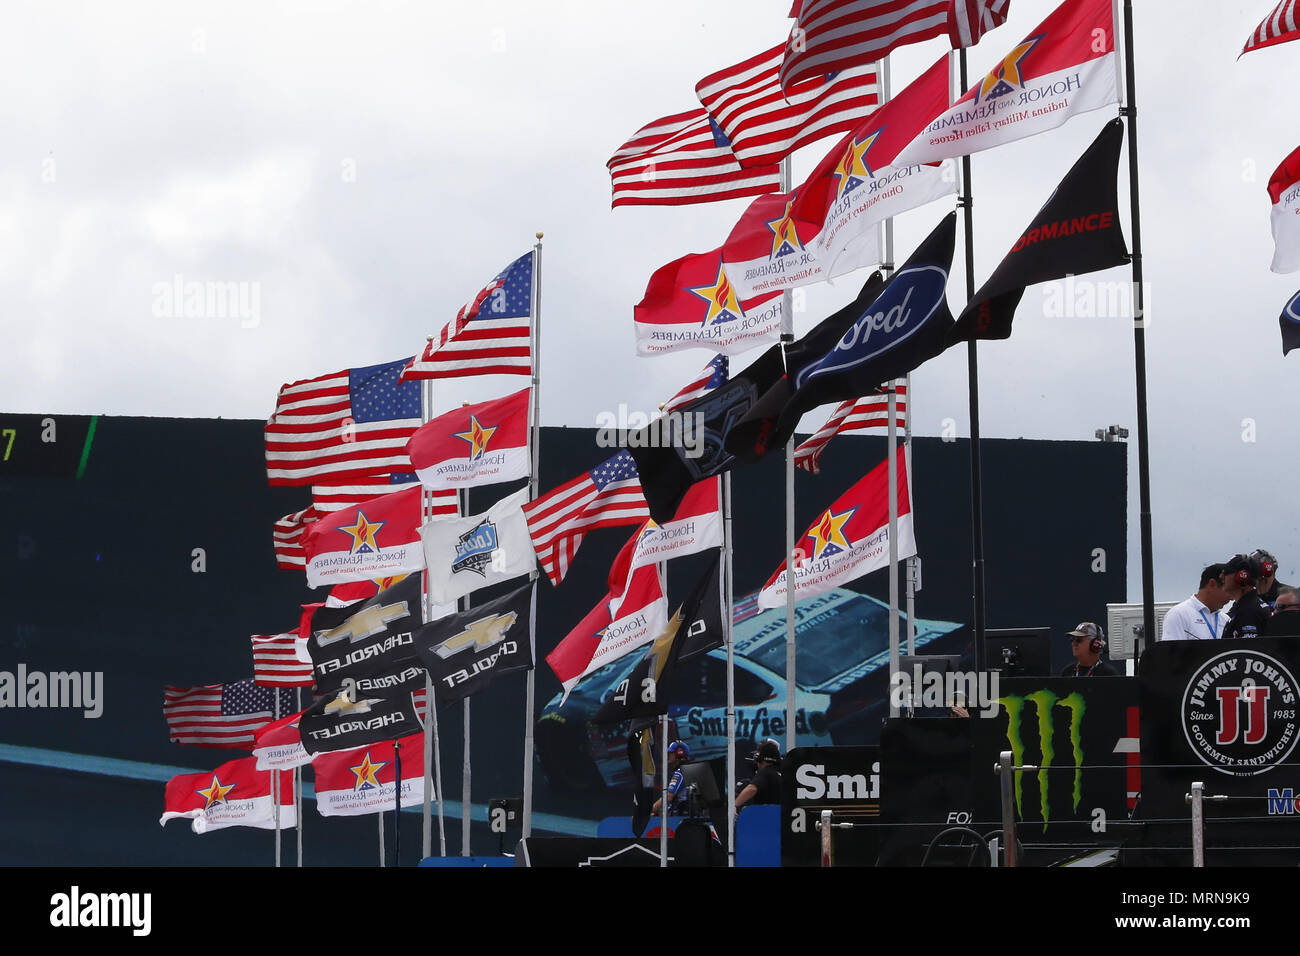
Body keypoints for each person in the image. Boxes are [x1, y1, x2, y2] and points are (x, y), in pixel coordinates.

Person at [1161, 563, 1231, 641]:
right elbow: (1171, 651)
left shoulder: (1225, 619)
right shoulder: (1178, 614)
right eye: (1228, 590)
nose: (1231, 597)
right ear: (1212, 584)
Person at [1221, 554, 1272, 640]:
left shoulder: (1248, 612)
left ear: (1242, 576)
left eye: (1226, 572)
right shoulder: (1248, 606)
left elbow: (1247, 651)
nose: (1221, 576)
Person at [735, 737, 782, 810]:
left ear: (758, 758)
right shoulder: (782, 772)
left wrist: (734, 805)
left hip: (769, 816)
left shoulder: (766, 772)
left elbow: (752, 789)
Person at [651, 740, 690, 815]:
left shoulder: (680, 772)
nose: (668, 755)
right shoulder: (687, 769)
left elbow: (668, 797)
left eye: (671, 752)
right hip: (683, 814)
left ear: (679, 753)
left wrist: (649, 811)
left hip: (680, 816)